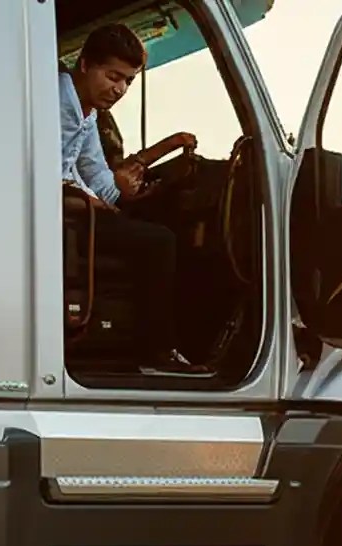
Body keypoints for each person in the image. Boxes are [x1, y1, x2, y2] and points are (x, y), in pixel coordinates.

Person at [58, 23, 201, 374]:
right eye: (112, 76)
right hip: (56, 214)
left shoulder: (88, 113)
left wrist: (130, 182)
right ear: (85, 64)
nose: (119, 89)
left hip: (74, 207)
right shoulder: (52, 100)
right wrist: (92, 201)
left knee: (157, 228)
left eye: (128, 81)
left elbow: (101, 182)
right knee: (159, 242)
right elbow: (38, 173)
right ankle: (156, 352)